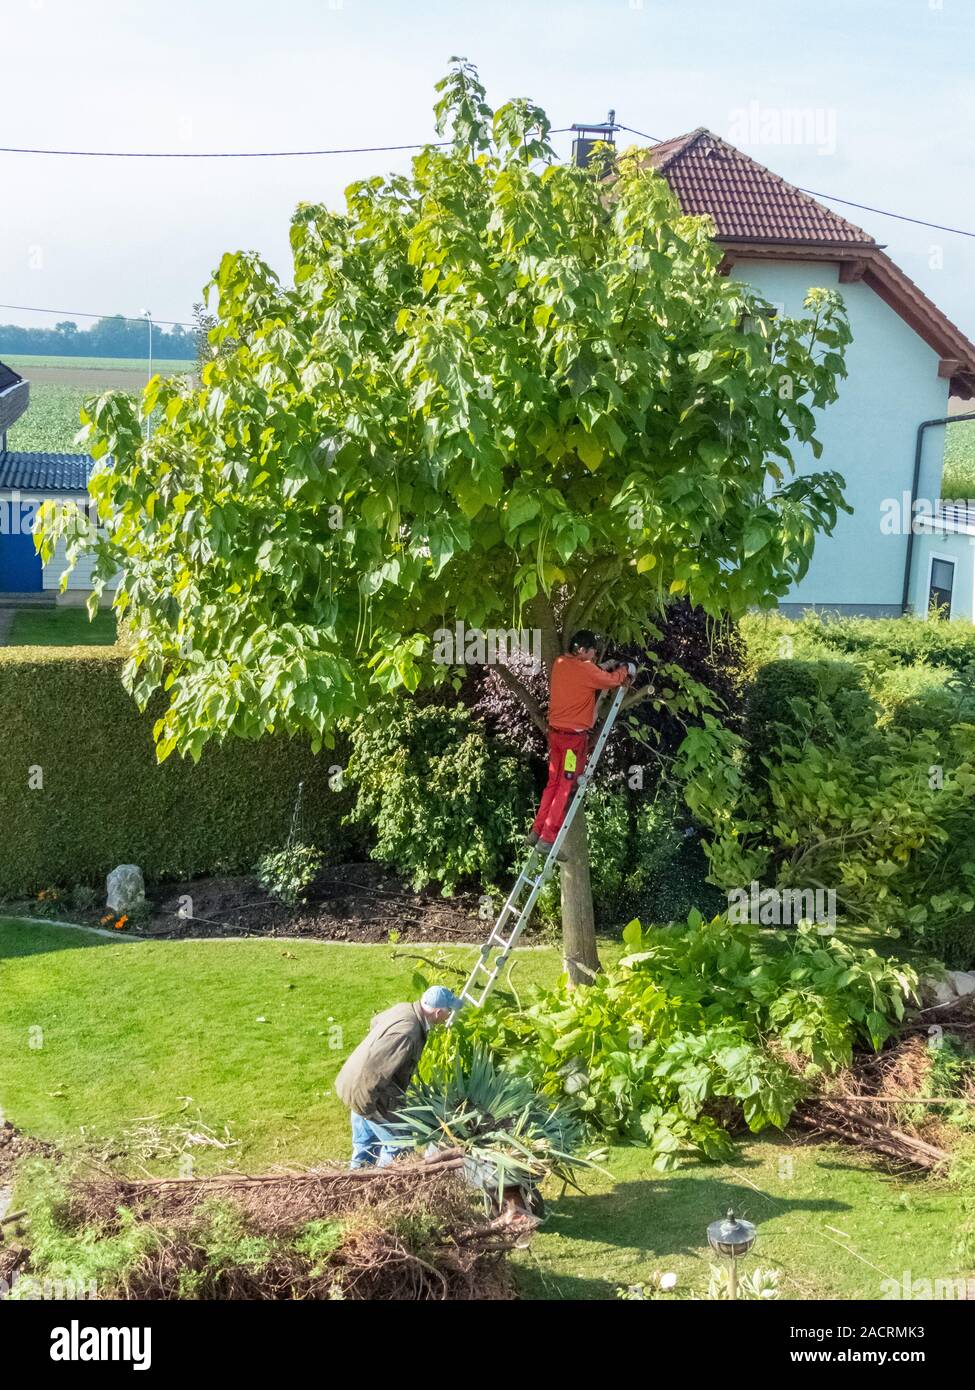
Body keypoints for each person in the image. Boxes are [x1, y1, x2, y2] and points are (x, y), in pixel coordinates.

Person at [335, 984, 463, 1169]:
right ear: (437, 1013)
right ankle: (385, 1189)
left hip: (351, 1083)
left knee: (366, 1144)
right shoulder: (408, 1033)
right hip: (368, 1092)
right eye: (448, 1011)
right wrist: (371, 1106)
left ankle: (353, 1184)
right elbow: (375, 1071)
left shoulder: (404, 1009)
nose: (448, 1016)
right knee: (398, 1147)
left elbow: (375, 1022)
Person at [530, 630, 633, 856]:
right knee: (565, 787)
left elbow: (587, 674)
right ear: (583, 650)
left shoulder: (560, 663)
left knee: (552, 783)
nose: (594, 659)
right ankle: (548, 839)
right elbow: (613, 681)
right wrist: (625, 668)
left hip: (556, 735)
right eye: (593, 654)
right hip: (572, 742)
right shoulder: (586, 669)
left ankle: (537, 831)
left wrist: (600, 666)